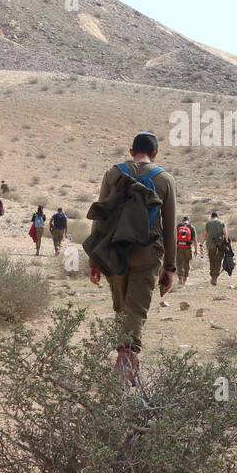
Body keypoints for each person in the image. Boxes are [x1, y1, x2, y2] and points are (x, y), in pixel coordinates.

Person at [88, 132, 177, 381]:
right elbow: (169, 226)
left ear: (131, 151)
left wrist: (95, 259)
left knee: (122, 306)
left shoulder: (113, 173)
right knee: (136, 308)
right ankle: (125, 362)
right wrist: (170, 266)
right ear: (155, 153)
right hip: (148, 251)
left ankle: (126, 360)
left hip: (113, 248)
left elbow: (100, 217)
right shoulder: (165, 179)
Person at [204, 211, 229, 285]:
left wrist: (203, 244)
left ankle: (212, 276)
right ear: (218, 216)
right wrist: (226, 243)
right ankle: (215, 277)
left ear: (211, 217)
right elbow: (225, 233)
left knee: (212, 260)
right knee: (218, 261)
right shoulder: (222, 223)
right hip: (220, 245)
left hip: (210, 245)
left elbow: (205, 235)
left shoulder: (208, 223)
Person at [174, 216, 196, 283]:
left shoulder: (178, 226)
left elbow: (174, 237)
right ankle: (185, 279)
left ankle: (180, 279)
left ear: (182, 221)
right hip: (188, 248)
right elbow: (195, 239)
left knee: (179, 263)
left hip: (179, 247)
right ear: (188, 221)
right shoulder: (191, 227)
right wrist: (196, 249)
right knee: (187, 263)